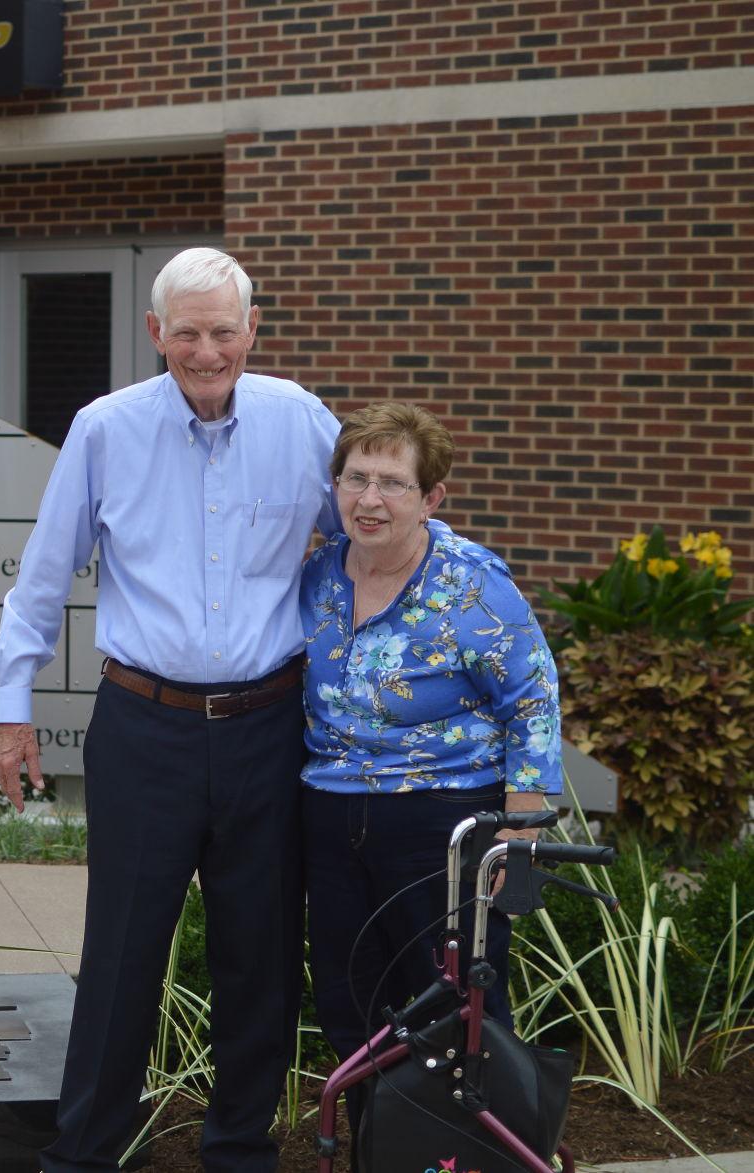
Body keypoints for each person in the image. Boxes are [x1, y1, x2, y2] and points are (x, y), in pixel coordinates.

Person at [0, 247, 340, 1172]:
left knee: (258, 954)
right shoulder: (104, 430)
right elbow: (39, 577)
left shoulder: (303, 422)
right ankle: (85, 1150)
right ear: (155, 334)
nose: (205, 350)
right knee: (121, 953)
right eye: (185, 332)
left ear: (251, 330)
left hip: (272, 726)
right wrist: (12, 707)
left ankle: (237, 1149)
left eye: (223, 331)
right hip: (143, 728)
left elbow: (362, 542)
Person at [299, 402, 560, 1125]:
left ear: (430, 498)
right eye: (355, 479)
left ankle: (470, 1158)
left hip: (440, 825)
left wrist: (523, 830)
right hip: (330, 818)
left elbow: (533, 699)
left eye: (392, 482)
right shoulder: (319, 573)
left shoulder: (469, 584)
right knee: (350, 1008)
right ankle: (371, 1150)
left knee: (453, 1010)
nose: (370, 499)